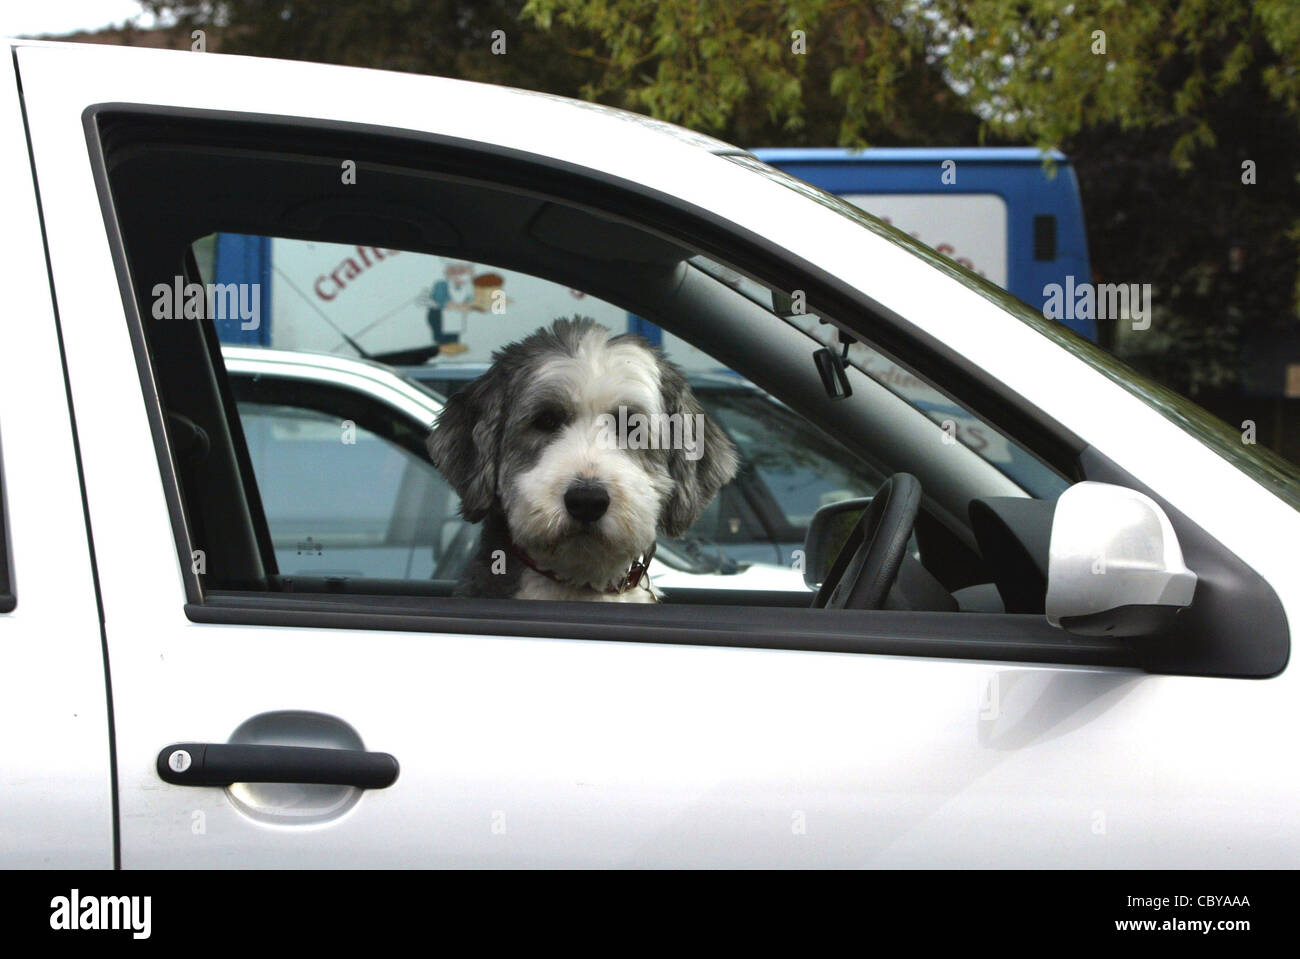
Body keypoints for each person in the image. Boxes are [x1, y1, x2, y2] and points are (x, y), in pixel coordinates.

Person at [427, 260, 474, 355]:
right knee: (442, 336)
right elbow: (439, 297)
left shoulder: (467, 288)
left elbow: (468, 300)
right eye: (454, 272)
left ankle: (454, 346)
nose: (457, 276)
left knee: (454, 332)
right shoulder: (441, 284)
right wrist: (448, 303)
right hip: (439, 315)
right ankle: (442, 347)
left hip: (455, 316)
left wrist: (465, 306)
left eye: (461, 272)